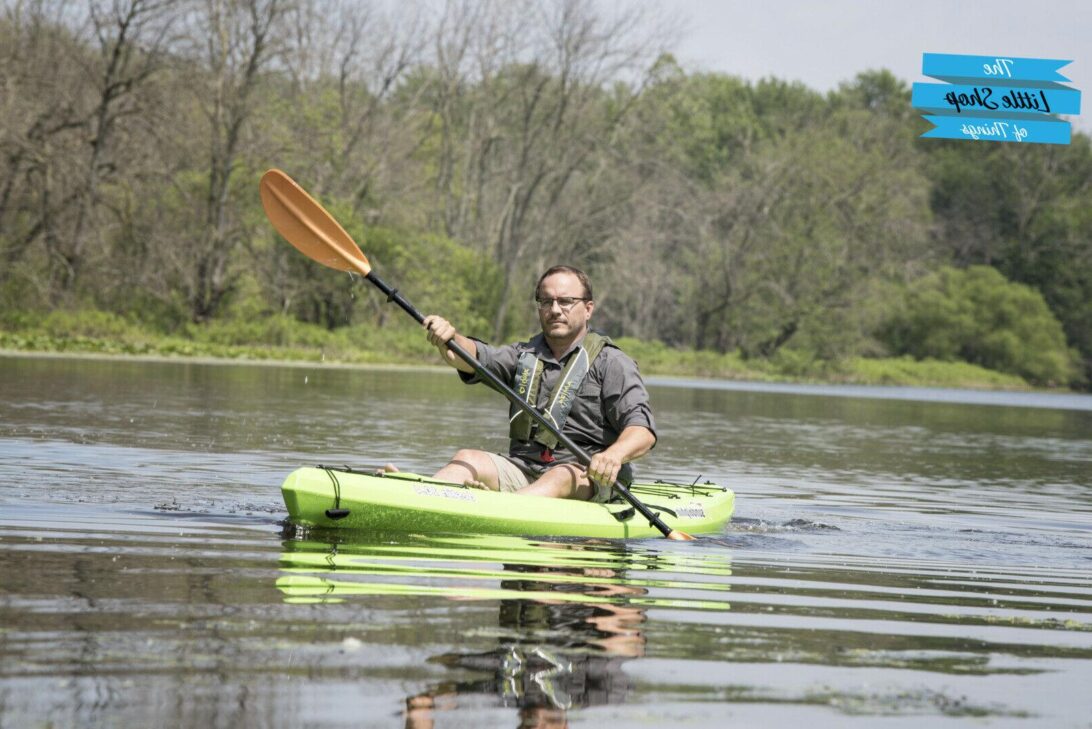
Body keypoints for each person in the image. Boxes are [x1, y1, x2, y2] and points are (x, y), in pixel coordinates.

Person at [414, 265, 656, 502]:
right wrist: (450, 338)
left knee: (561, 475)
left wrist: (614, 454)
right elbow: (471, 357)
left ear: (588, 308)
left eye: (566, 301)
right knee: (467, 458)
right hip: (523, 469)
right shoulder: (524, 354)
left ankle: (498, 509)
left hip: (587, 478)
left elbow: (643, 432)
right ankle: (420, 498)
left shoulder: (613, 362)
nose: (555, 310)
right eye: (546, 302)